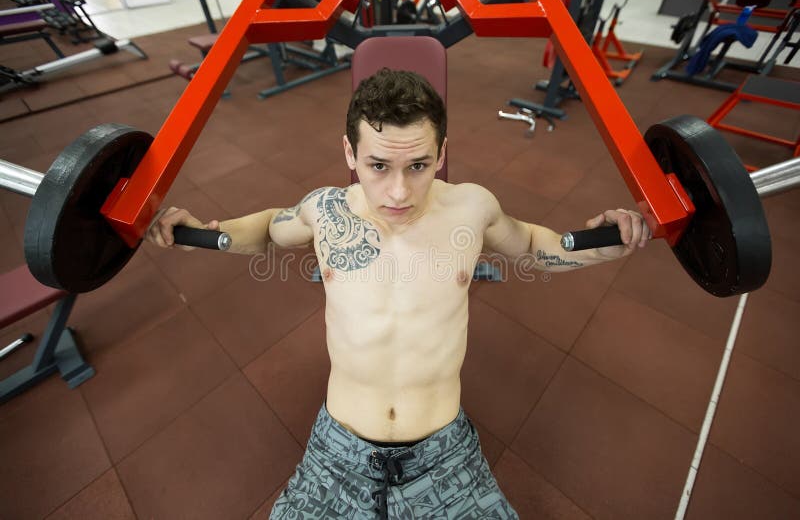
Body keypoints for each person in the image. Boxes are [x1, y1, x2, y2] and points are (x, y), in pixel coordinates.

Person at [147, 68, 650, 519]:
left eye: (418, 166)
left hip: (443, 448)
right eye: (378, 166)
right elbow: (266, 229)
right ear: (350, 154)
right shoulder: (324, 211)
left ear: (442, 154)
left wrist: (601, 248)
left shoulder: (472, 208)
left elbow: (536, 246)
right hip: (339, 447)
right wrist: (206, 233)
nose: (399, 192)